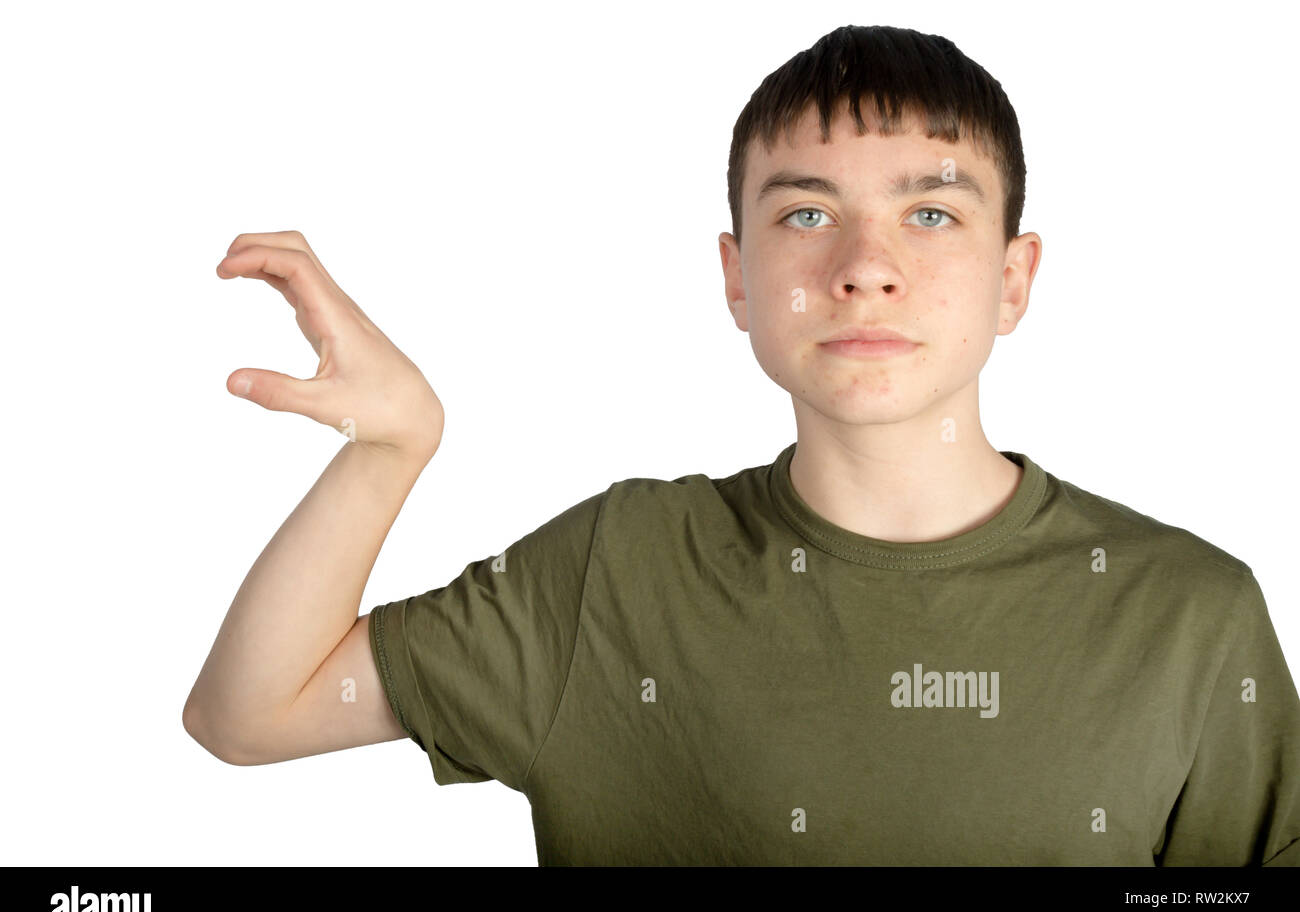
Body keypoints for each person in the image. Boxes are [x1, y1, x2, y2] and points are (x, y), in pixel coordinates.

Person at [183, 24, 1300, 866]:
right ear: (736, 279)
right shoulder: (618, 568)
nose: (865, 262)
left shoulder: (1189, 613)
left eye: (931, 212)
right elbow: (248, 711)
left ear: (1014, 279)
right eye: (805, 214)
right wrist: (390, 450)